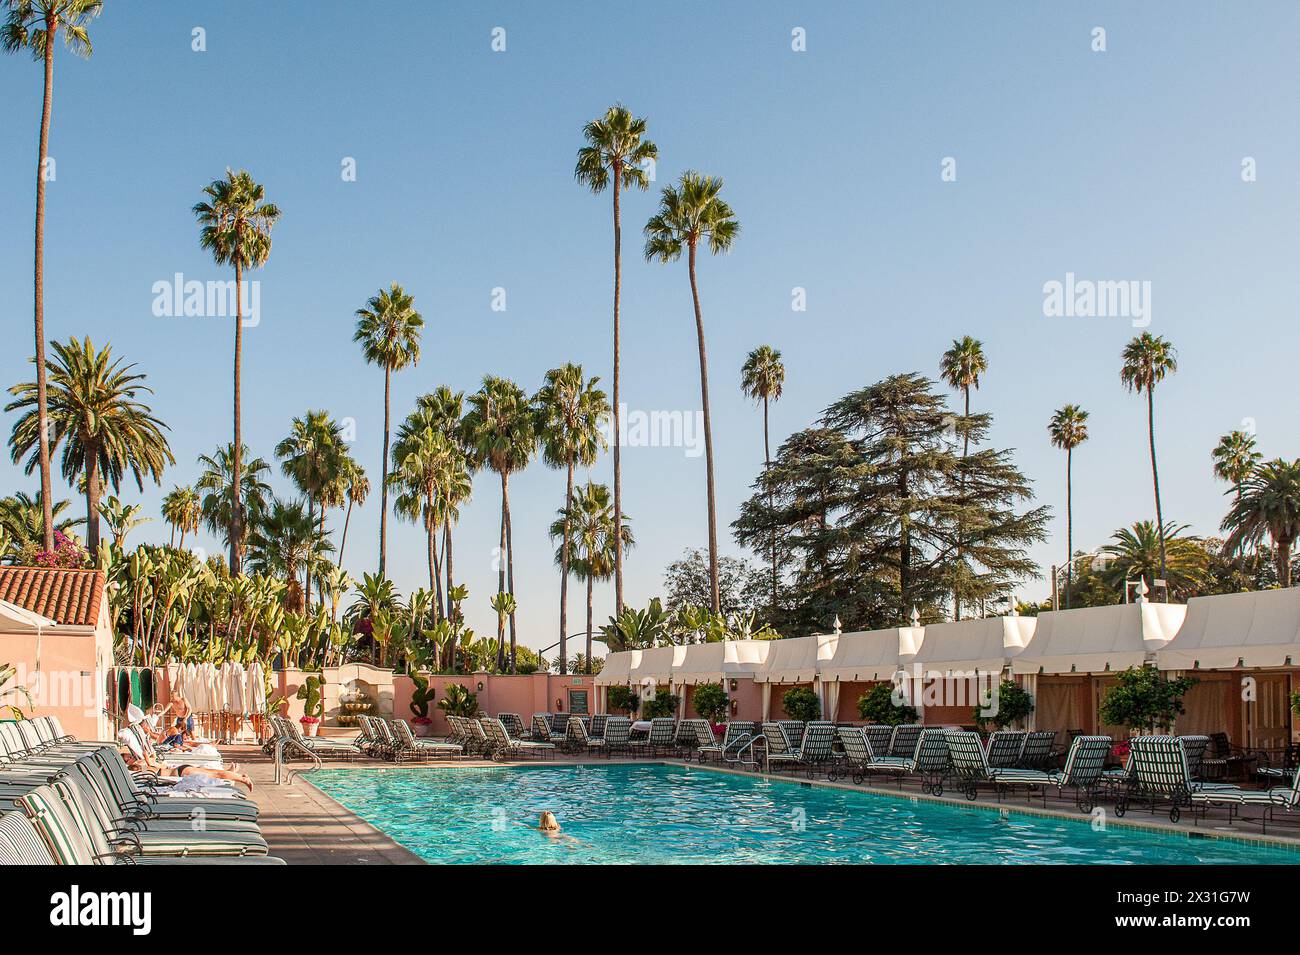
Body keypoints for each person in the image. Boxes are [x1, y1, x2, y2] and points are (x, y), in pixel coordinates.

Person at [119, 744, 254, 792]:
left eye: (128, 756)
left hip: (179, 772)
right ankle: (235, 775)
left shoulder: (140, 765)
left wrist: (145, 759)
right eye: (127, 758)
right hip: (180, 770)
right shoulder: (141, 765)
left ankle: (242, 778)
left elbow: (151, 762)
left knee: (215, 775)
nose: (130, 757)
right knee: (214, 773)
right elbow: (153, 761)